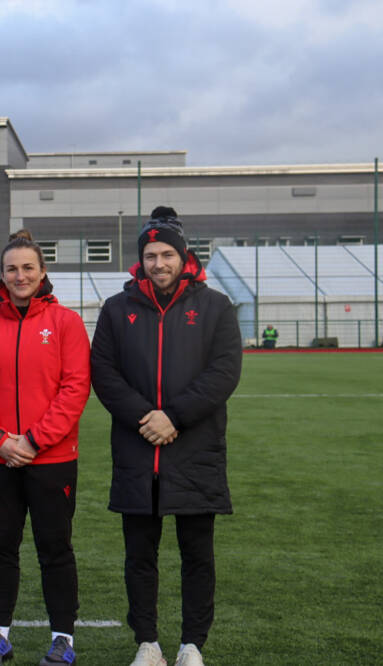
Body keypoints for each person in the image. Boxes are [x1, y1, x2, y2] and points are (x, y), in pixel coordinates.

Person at [90, 206, 242, 666]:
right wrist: (146, 417)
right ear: (141, 259)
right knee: (140, 555)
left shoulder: (214, 306)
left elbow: (225, 372)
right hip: (138, 452)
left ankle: (192, 645)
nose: (158, 263)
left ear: (183, 256)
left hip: (195, 449)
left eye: (166, 254)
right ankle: (148, 644)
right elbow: (103, 372)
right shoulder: (117, 309)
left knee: (198, 555)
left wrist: (173, 416)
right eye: (150, 255)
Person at [0, 229, 90, 666]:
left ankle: (63, 639)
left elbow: (74, 389)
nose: (20, 275)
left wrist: (33, 440)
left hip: (51, 459)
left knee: (55, 548)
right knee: (0, 546)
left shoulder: (66, 323)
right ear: (1, 274)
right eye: (12, 268)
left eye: (27, 267)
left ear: (42, 272)